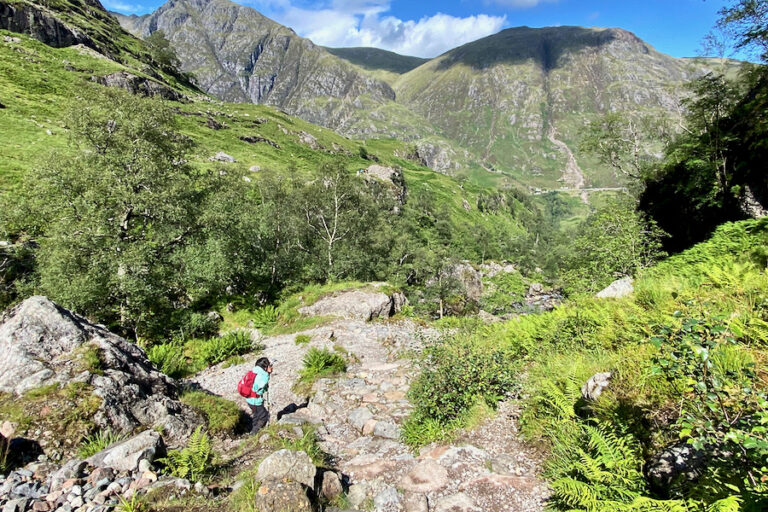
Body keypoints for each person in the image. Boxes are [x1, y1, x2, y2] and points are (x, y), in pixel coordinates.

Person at [246, 357, 272, 434]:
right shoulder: (262, 375)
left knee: (256, 414)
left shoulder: (254, 371)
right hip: (255, 400)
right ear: (265, 367)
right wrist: (268, 374)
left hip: (249, 399)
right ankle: (255, 432)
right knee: (264, 416)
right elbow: (260, 386)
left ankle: (253, 428)